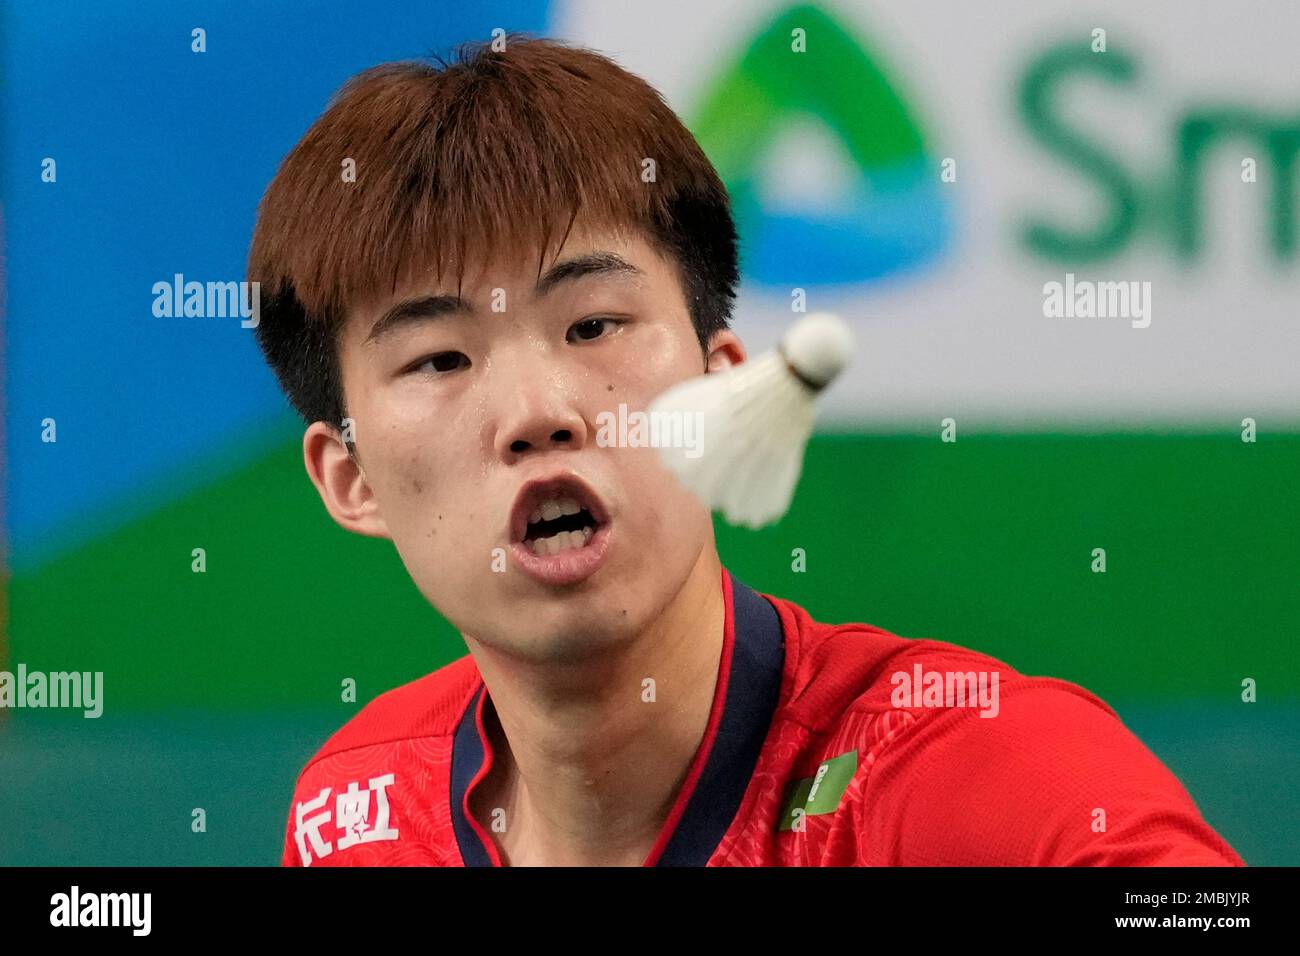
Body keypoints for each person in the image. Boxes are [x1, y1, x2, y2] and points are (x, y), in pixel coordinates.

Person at [249, 35, 1243, 866]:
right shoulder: (358, 811)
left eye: (593, 325)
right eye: (439, 356)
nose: (539, 410)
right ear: (351, 478)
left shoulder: (972, 771)